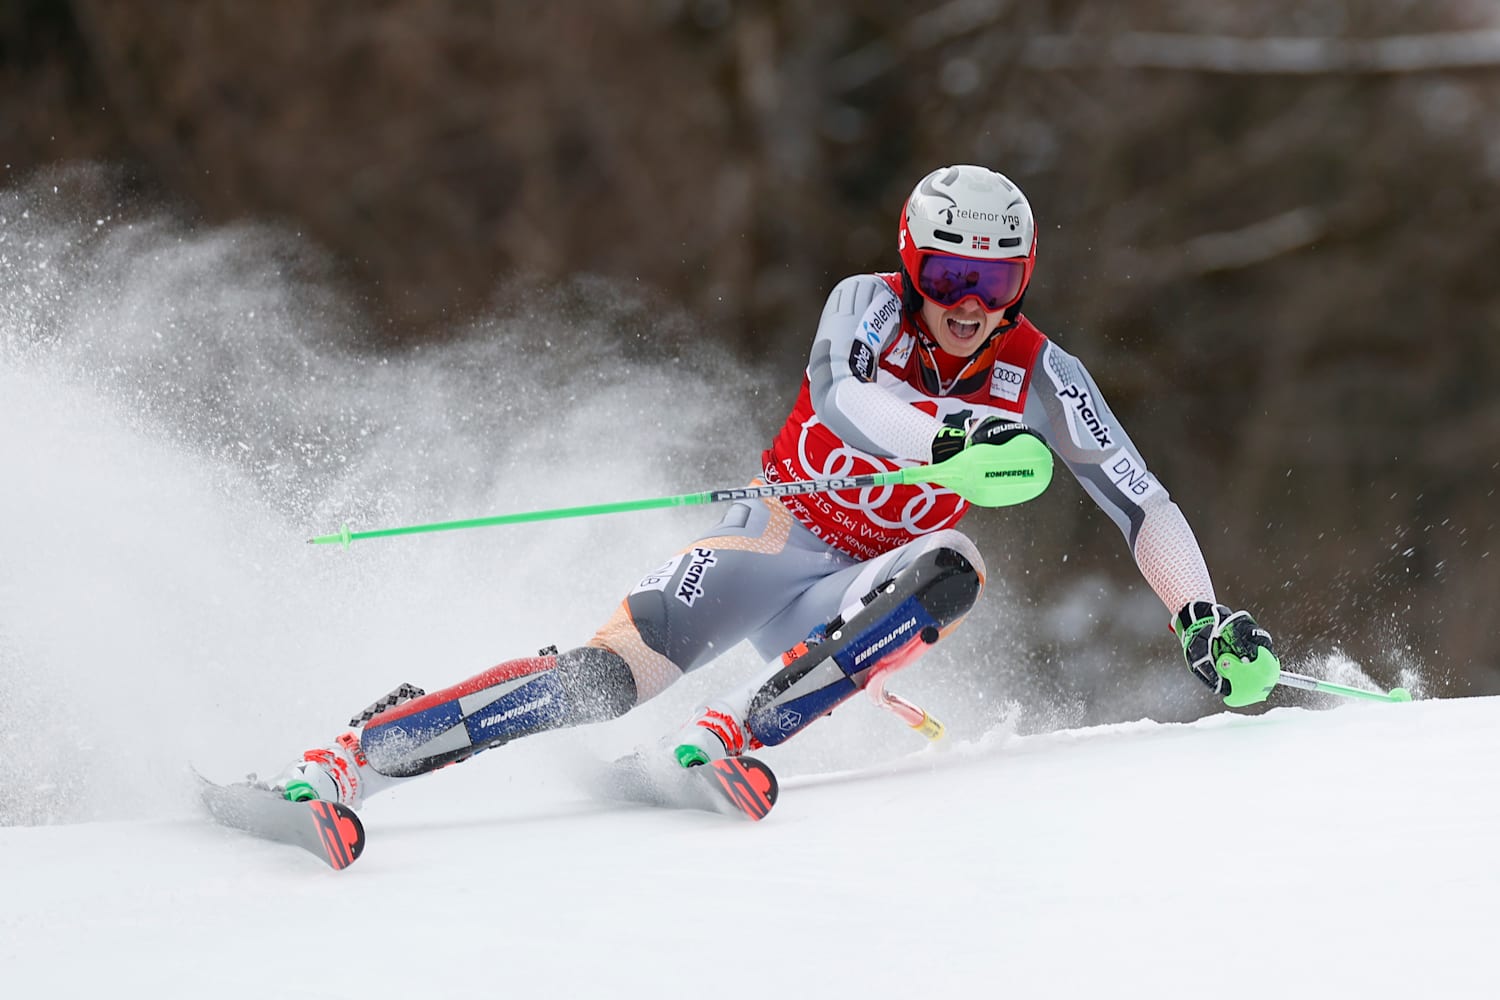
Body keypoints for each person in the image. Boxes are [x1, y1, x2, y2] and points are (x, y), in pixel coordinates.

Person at [272, 164, 1280, 809]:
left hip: (860, 583)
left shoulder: (1045, 375)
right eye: (947, 275)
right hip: (776, 537)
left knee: (954, 566)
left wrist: (1199, 616)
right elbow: (845, 400)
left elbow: (1138, 495)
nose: (968, 306)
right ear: (909, 263)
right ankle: (360, 752)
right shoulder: (865, 308)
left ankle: (740, 731)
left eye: (995, 283)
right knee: (605, 680)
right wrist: (946, 434)